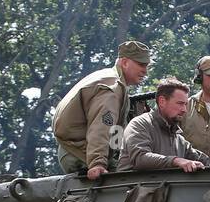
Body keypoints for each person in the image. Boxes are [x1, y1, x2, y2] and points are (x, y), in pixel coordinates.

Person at [53, 40, 151, 179]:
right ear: (125, 63)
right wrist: (97, 163)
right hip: (80, 155)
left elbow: (115, 130)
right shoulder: (111, 89)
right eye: (141, 64)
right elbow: (100, 128)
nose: (145, 71)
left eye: (147, 66)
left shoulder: (112, 80)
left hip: (81, 151)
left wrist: (118, 157)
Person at [119, 77, 210, 172]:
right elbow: (140, 158)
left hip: (162, 185)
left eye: (185, 104)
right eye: (180, 103)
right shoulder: (140, 124)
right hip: (132, 185)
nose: (184, 110)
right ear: (162, 101)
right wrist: (176, 161)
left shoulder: (178, 139)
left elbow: (203, 161)